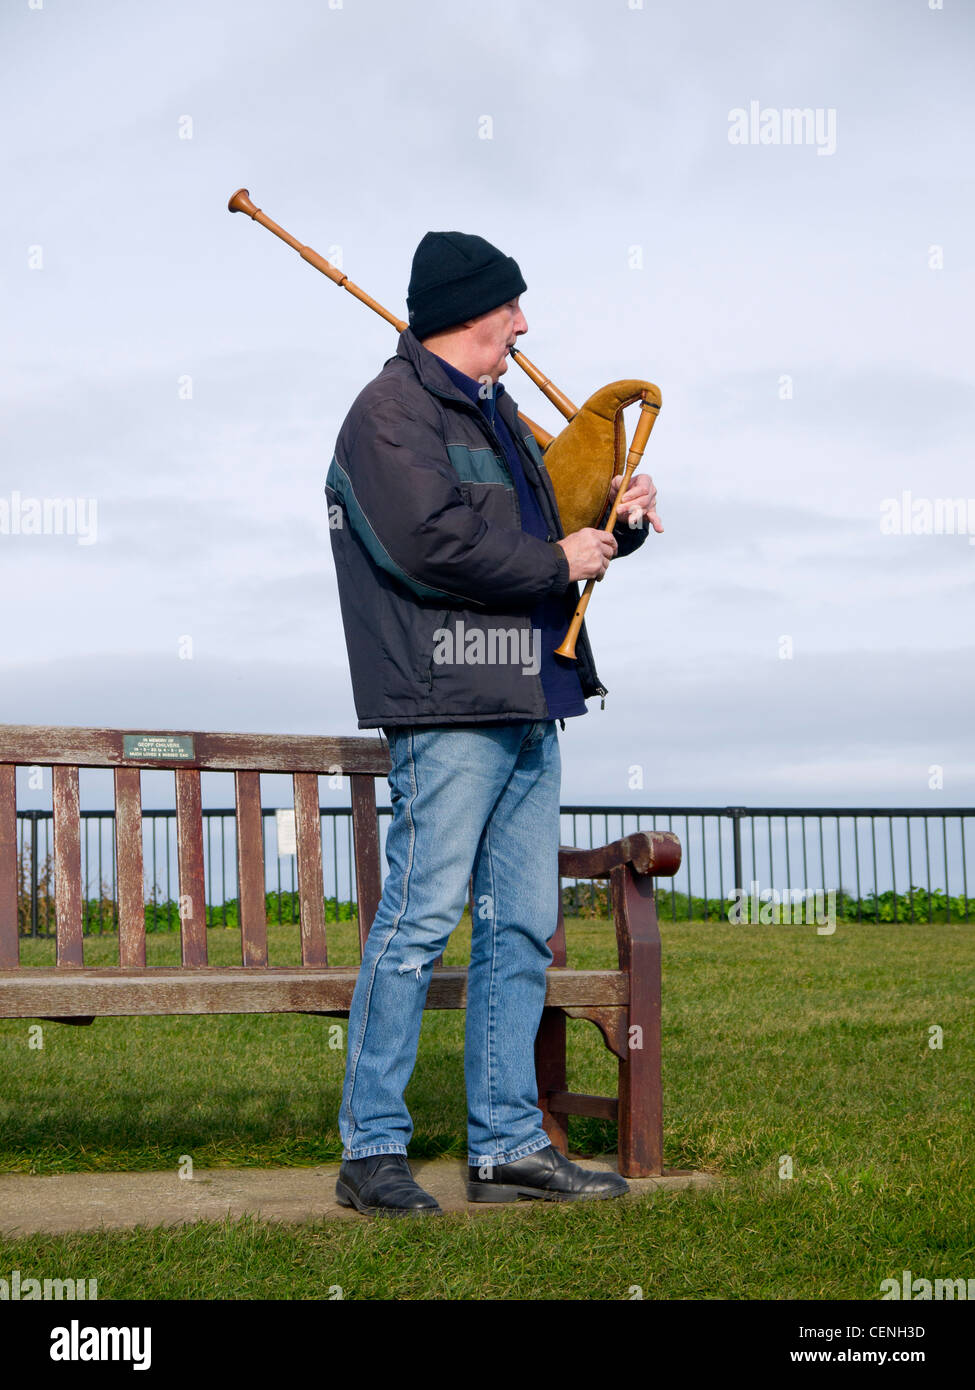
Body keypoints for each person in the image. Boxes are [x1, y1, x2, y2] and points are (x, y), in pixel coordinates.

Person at [324, 229, 663, 1216]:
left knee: (520, 926)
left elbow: (555, 529)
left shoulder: (500, 411)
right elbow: (431, 546)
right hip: (448, 703)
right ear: (464, 312)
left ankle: (507, 1145)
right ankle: (372, 1151)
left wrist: (620, 520)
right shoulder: (386, 417)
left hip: (529, 699)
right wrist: (561, 558)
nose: (523, 323)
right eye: (509, 306)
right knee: (419, 921)